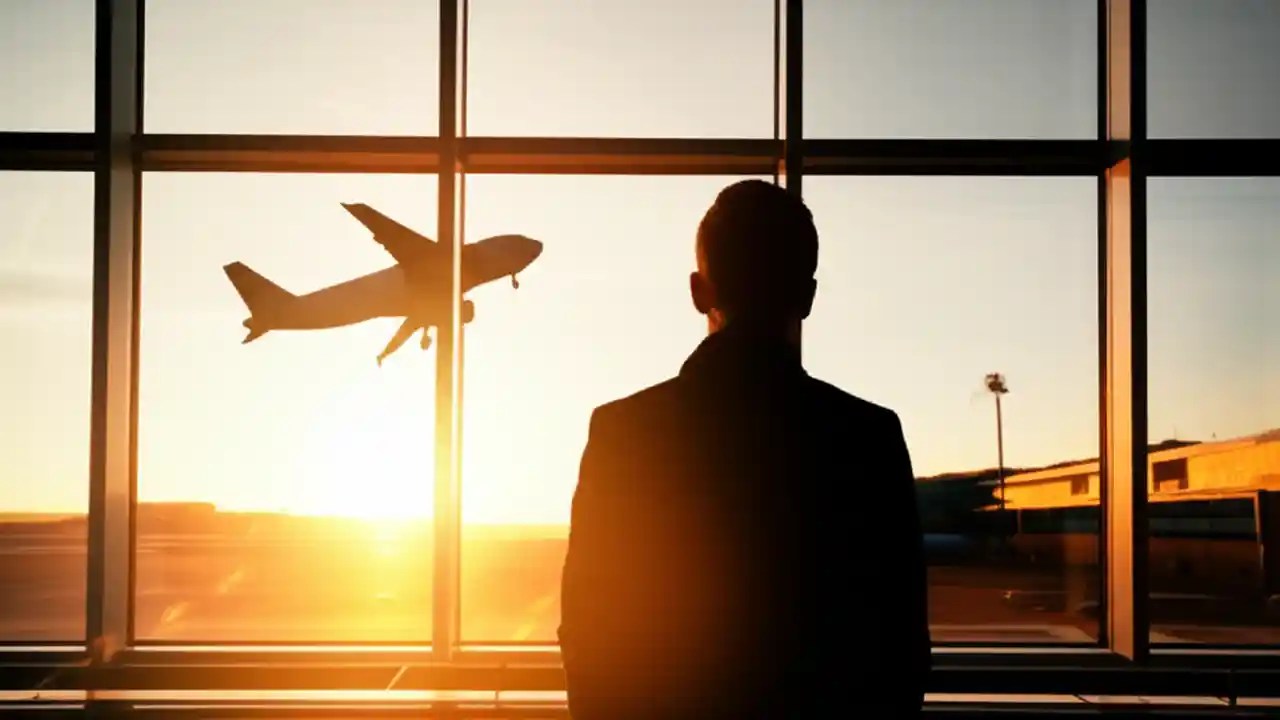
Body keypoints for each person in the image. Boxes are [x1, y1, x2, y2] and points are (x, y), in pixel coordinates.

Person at [558, 179, 931, 718]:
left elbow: (590, 633)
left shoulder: (623, 431)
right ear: (807, 296)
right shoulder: (869, 435)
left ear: (697, 291)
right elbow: (901, 648)